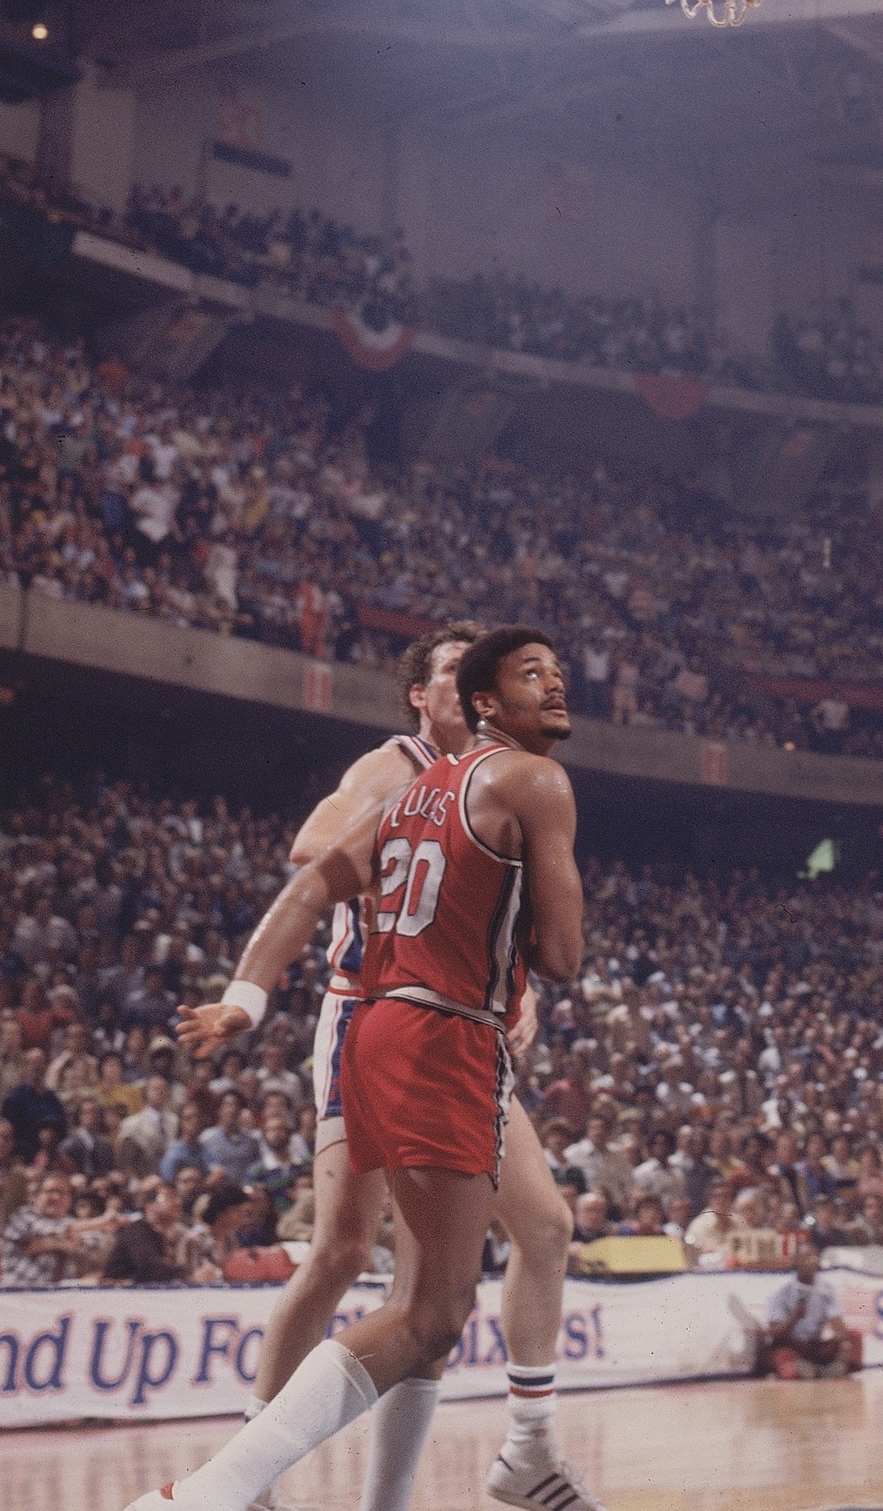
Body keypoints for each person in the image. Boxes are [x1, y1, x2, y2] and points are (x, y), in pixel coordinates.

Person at [129, 626, 587, 1511]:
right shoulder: (437, 769)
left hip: (399, 1024)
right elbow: (312, 857)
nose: (556, 686)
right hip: (406, 1017)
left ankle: (494, 1460)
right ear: (445, 694)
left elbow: (327, 889)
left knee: (517, 1244)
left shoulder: (434, 791)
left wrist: (245, 1000)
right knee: (386, 1281)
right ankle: (222, 1489)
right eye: (528, 673)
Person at [759, 1245, 853, 1378]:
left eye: (813, 1259)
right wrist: (794, 1317)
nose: (809, 1263)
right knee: (784, 1362)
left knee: (853, 1337)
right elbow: (775, 1335)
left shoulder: (826, 1289)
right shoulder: (781, 1291)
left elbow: (839, 1326)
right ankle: (809, 1370)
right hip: (790, 1345)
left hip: (813, 1346)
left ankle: (825, 1369)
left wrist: (844, 1347)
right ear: (795, 1261)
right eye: (805, 1258)